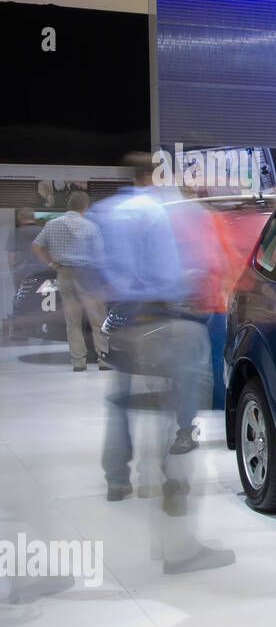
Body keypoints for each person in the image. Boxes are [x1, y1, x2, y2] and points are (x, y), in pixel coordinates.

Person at [92, 152, 233, 573]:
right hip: (170, 322)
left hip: (123, 322)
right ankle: (180, 548)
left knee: (120, 402)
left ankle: (117, 479)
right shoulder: (174, 211)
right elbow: (201, 269)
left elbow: (96, 273)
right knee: (179, 427)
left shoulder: (106, 211)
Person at [30, 191, 109, 371]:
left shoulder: (52, 224)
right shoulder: (91, 226)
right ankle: (103, 360)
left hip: (64, 273)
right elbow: (100, 256)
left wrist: (51, 263)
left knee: (72, 320)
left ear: (69, 205)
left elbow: (36, 246)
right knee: (97, 319)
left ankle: (78, 362)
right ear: (85, 206)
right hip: (88, 274)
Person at [7, 207, 43, 286]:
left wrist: (13, 272)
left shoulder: (15, 233)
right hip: (42, 272)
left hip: (21, 272)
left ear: (20, 218)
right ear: (33, 217)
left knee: (22, 296)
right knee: (40, 296)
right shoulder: (43, 231)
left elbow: (11, 256)